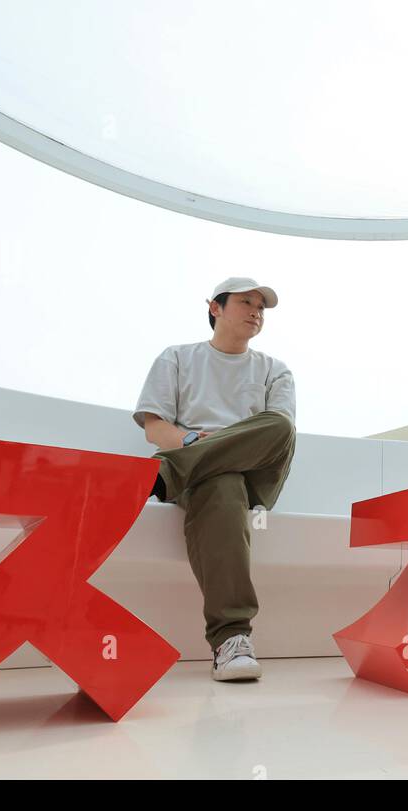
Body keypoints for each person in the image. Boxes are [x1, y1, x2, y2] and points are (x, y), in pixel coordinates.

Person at [133, 276, 297, 681]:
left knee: (278, 425)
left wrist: (188, 454)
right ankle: (231, 640)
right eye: (246, 302)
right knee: (223, 485)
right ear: (215, 308)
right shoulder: (177, 358)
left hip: (254, 472)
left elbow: (279, 433)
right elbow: (155, 426)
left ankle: (165, 473)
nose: (256, 311)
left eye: (261, 306)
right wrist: (190, 438)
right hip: (208, 481)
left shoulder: (275, 370)